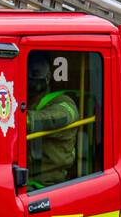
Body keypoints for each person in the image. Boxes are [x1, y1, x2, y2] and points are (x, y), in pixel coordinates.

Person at [26, 54, 81, 189]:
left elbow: (57, 118)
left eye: (35, 74)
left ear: (48, 78)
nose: (31, 80)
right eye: (27, 75)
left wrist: (21, 120)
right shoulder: (24, 102)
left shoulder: (64, 102)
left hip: (48, 185)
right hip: (23, 180)